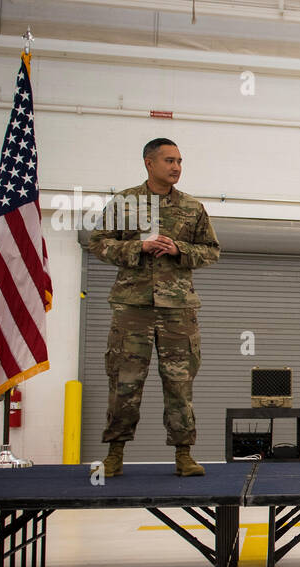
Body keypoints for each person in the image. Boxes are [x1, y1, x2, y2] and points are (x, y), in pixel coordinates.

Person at [88, 138, 219, 477]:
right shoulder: (125, 202)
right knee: (125, 381)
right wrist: (138, 247)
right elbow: (98, 244)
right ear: (149, 163)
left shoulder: (193, 208)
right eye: (169, 160)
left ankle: (184, 455)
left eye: (179, 161)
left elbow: (212, 251)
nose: (176, 167)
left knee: (179, 383)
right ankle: (115, 454)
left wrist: (180, 250)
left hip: (178, 310)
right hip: (133, 308)